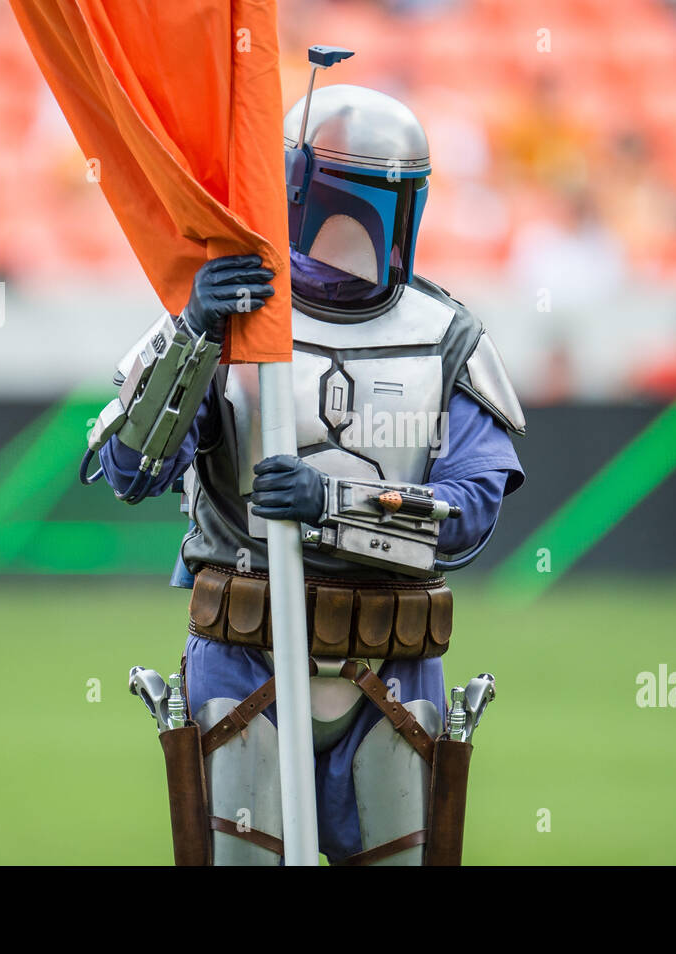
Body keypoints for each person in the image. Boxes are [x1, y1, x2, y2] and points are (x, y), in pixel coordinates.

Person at [88, 77, 525, 865]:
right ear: (301, 195)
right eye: (353, 200)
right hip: (242, 652)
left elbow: (471, 514)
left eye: (391, 202)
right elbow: (131, 469)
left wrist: (332, 503)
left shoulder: (444, 334)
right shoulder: (227, 318)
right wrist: (194, 335)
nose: (370, 226)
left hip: (392, 665)